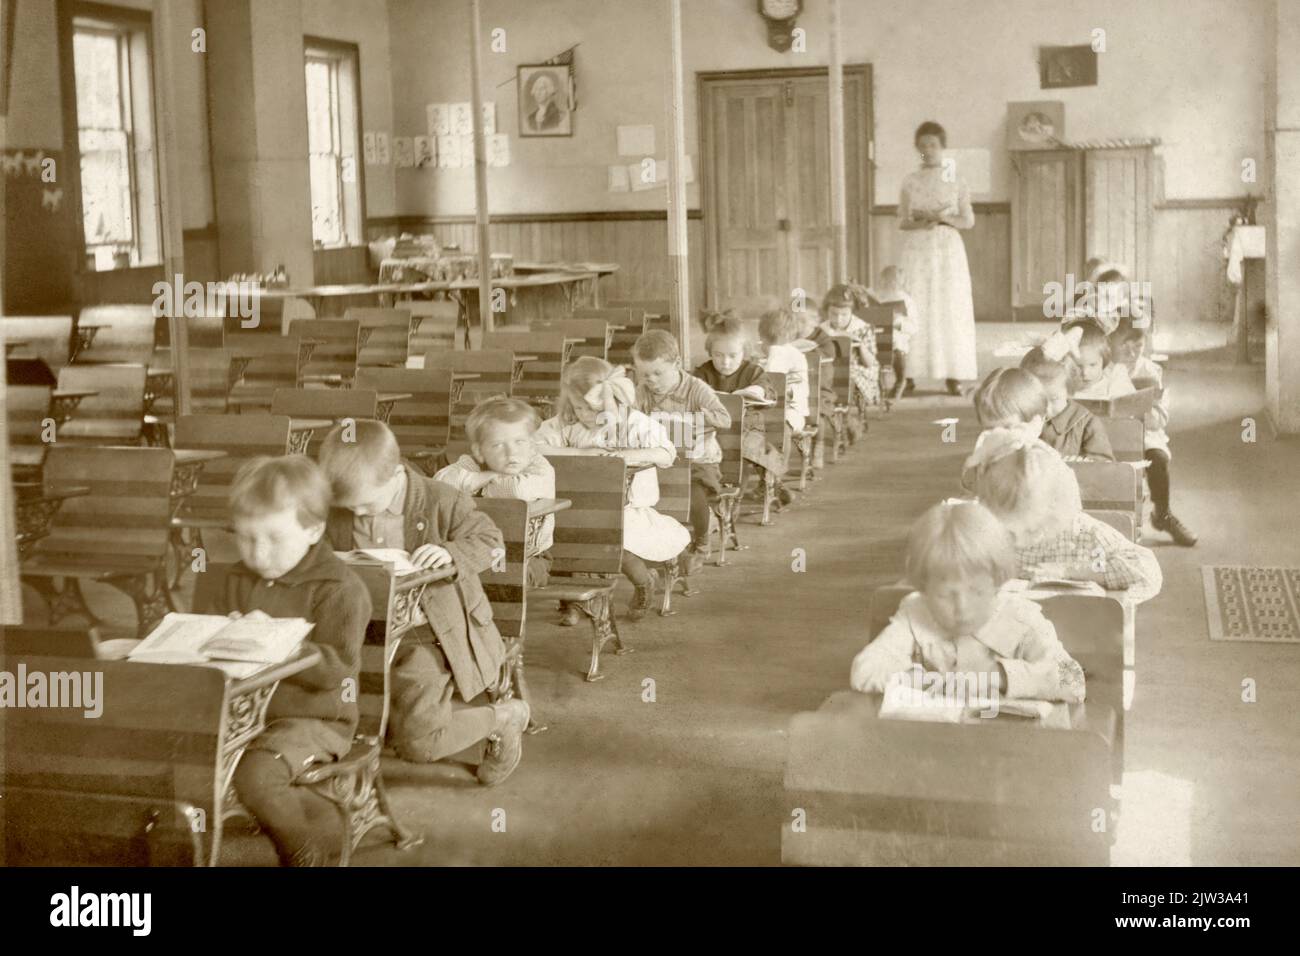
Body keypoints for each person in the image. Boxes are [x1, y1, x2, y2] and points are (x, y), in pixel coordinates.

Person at [318, 420, 531, 785]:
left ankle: (504, 718)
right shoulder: (341, 506)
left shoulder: (442, 500)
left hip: (427, 633)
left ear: (397, 474)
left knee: (418, 744)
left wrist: (450, 553)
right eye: (348, 509)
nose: (358, 515)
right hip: (360, 631)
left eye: (367, 505)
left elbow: (491, 542)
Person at [218, 455, 370, 866]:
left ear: (313, 530)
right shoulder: (231, 577)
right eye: (246, 538)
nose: (258, 552)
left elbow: (337, 672)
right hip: (236, 713)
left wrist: (282, 642)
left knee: (256, 775)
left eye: (272, 538)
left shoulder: (340, 588)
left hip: (316, 718)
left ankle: (304, 851)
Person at [849, 499, 1086, 704]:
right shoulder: (914, 611)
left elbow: (1073, 679)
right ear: (923, 588)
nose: (962, 607)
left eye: (977, 593)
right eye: (944, 595)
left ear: (997, 582)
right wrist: (920, 681)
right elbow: (864, 670)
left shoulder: (1022, 618)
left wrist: (1002, 678)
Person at [536, 356, 691, 620]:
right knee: (557, 537)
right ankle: (570, 602)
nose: (587, 416)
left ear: (616, 401)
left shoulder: (635, 424)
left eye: (595, 410)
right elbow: (535, 448)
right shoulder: (567, 422)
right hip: (573, 505)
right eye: (579, 407)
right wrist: (581, 454)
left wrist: (627, 455)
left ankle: (644, 583)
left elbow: (666, 454)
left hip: (624, 508)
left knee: (616, 543)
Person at [970, 433, 1163, 603]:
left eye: (1032, 530)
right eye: (1010, 531)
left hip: (1079, 635)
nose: (1019, 540)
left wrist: (1072, 570)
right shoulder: (987, 534)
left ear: (1059, 511)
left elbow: (1148, 572)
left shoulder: (1085, 536)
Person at [632, 328, 733, 572]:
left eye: (658, 373)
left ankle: (701, 542)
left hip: (699, 460)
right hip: (660, 459)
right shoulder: (642, 391)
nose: (651, 381)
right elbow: (632, 417)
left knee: (693, 491)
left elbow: (725, 418)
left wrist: (694, 419)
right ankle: (656, 543)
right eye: (645, 375)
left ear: (676, 364)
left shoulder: (697, 389)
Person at [435, 396, 558, 585]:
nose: (511, 452)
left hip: (529, 557)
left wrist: (481, 485)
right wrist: (485, 477)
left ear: (532, 444)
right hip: (479, 551)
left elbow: (518, 490)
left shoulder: (540, 467)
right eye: (498, 445)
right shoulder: (474, 463)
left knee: (507, 577)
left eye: (519, 442)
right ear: (479, 451)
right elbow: (441, 481)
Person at [1096, 321, 1197, 547]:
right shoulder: (1099, 367)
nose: (1132, 353)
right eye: (1125, 347)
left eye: (1138, 346)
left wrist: (1143, 408)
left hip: (1142, 433)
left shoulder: (1150, 371)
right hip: (1106, 432)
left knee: (1158, 459)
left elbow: (1160, 419)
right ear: (1110, 343)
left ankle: (1163, 514)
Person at [898, 120, 977, 396]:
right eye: (922, 146)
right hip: (918, 247)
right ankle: (908, 374)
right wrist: (921, 223)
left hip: (947, 247)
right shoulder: (910, 181)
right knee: (915, 304)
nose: (927, 151)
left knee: (949, 305)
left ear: (943, 147)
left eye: (932, 145)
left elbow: (968, 221)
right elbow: (902, 222)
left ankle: (953, 374)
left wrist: (942, 217)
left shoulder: (957, 179)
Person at [692, 312, 790, 496]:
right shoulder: (703, 372)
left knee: (741, 450)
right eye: (718, 355)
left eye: (732, 355)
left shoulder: (753, 371)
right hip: (713, 430)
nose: (725, 362)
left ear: (744, 351)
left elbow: (768, 391)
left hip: (748, 429)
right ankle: (716, 491)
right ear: (710, 352)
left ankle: (735, 497)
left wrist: (756, 391)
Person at [1020, 342, 1115, 461]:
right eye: (1037, 400)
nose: (1047, 409)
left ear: (1069, 389)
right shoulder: (1019, 419)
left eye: (1054, 399)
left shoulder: (1087, 423)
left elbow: (1103, 469)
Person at [866, 265, 920, 400]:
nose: (889, 285)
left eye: (894, 282)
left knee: (897, 343)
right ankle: (878, 385)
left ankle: (901, 379)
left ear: (901, 283)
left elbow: (914, 326)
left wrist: (898, 322)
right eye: (886, 281)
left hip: (897, 335)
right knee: (872, 350)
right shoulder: (874, 294)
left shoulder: (906, 300)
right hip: (876, 332)